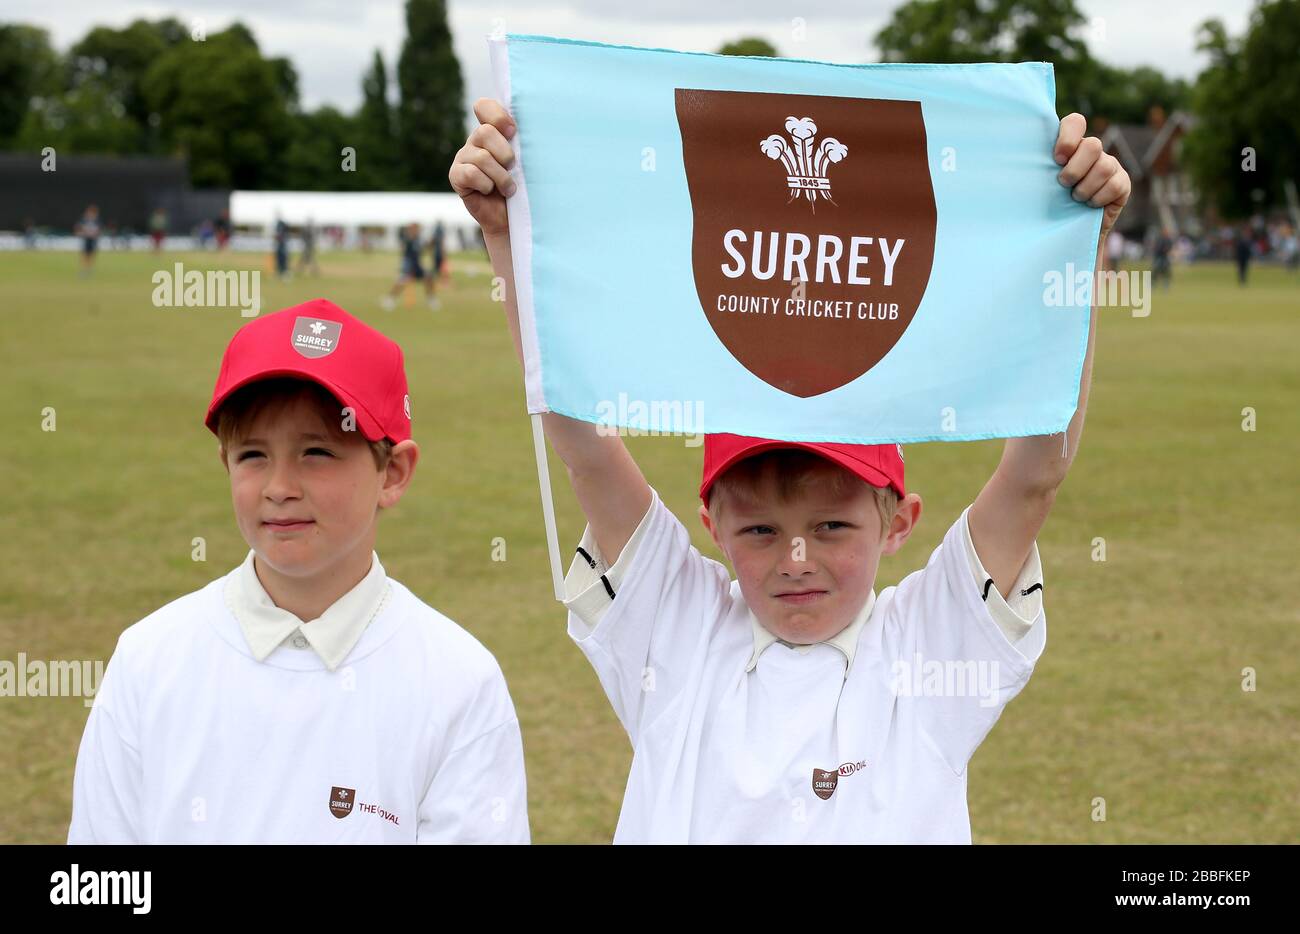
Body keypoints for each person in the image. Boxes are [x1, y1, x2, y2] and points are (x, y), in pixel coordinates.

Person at [452, 99, 1130, 843]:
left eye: (832, 524)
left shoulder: (928, 647)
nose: (796, 559)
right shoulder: (678, 629)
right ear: (709, 524)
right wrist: (505, 238)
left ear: (899, 519)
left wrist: (1078, 251)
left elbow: (1035, 475)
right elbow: (583, 442)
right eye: (761, 530)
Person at [67, 299, 529, 843]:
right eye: (253, 455)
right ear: (226, 465)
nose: (279, 486)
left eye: (316, 452)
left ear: (393, 472)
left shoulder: (458, 682)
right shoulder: (149, 660)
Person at [382, 223, 437, 310]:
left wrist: (430, 244)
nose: (417, 231)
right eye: (415, 229)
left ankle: (431, 299)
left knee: (429, 278)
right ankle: (390, 299)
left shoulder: (419, 239)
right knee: (401, 282)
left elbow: (422, 250)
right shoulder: (408, 239)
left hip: (417, 265)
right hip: (408, 266)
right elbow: (406, 249)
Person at [74, 204, 101, 277]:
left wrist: (94, 234)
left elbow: (98, 231)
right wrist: (80, 233)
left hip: (93, 240)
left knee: (91, 255)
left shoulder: (97, 221)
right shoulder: (84, 220)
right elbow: (78, 228)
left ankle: (89, 270)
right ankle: (84, 270)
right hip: (86, 239)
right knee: (84, 255)